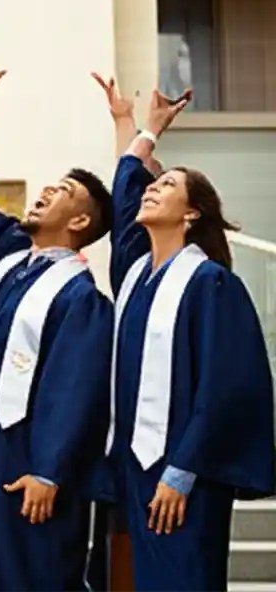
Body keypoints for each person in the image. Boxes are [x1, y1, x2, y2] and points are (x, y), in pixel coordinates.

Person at [0, 46, 115, 590]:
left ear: (82, 221)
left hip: (32, 465)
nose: (46, 191)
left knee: (34, 576)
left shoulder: (81, 298)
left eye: (62, 192)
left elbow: (75, 391)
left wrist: (50, 469)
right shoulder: (9, 259)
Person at [98, 77, 274, 590]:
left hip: (183, 473)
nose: (152, 189)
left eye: (167, 186)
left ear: (192, 213)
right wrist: (144, 129)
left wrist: (183, 470)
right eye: (156, 185)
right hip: (134, 469)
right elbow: (127, 186)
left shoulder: (211, 284)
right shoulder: (135, 274)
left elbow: (225, 388)